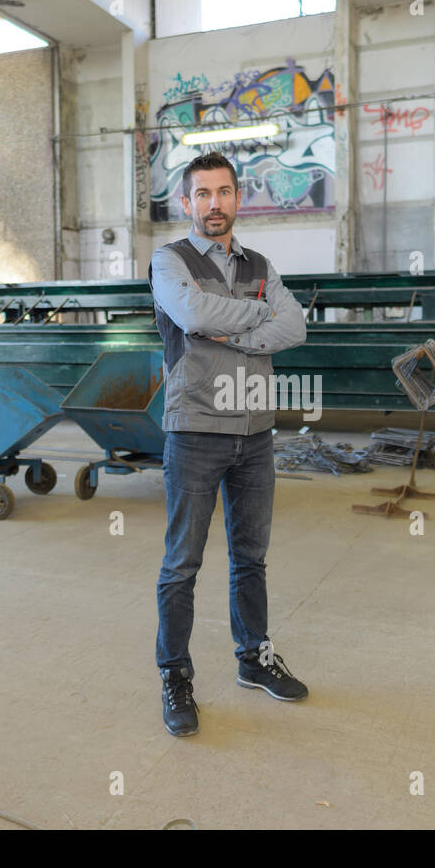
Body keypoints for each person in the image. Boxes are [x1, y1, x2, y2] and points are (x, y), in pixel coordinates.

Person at [148, 151, 309, 737]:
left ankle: (252, 659)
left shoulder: (262, 263)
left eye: (224, 192)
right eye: (203, 194)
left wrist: (229, 331)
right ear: (187, 203)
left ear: (238, 198)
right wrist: (256, 319)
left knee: (251, 560)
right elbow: (190, 313)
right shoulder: (170, 261)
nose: (214, 203)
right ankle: (175, 676)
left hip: (256, 435)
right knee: (181, 565)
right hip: (195, 432)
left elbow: (296, 327)